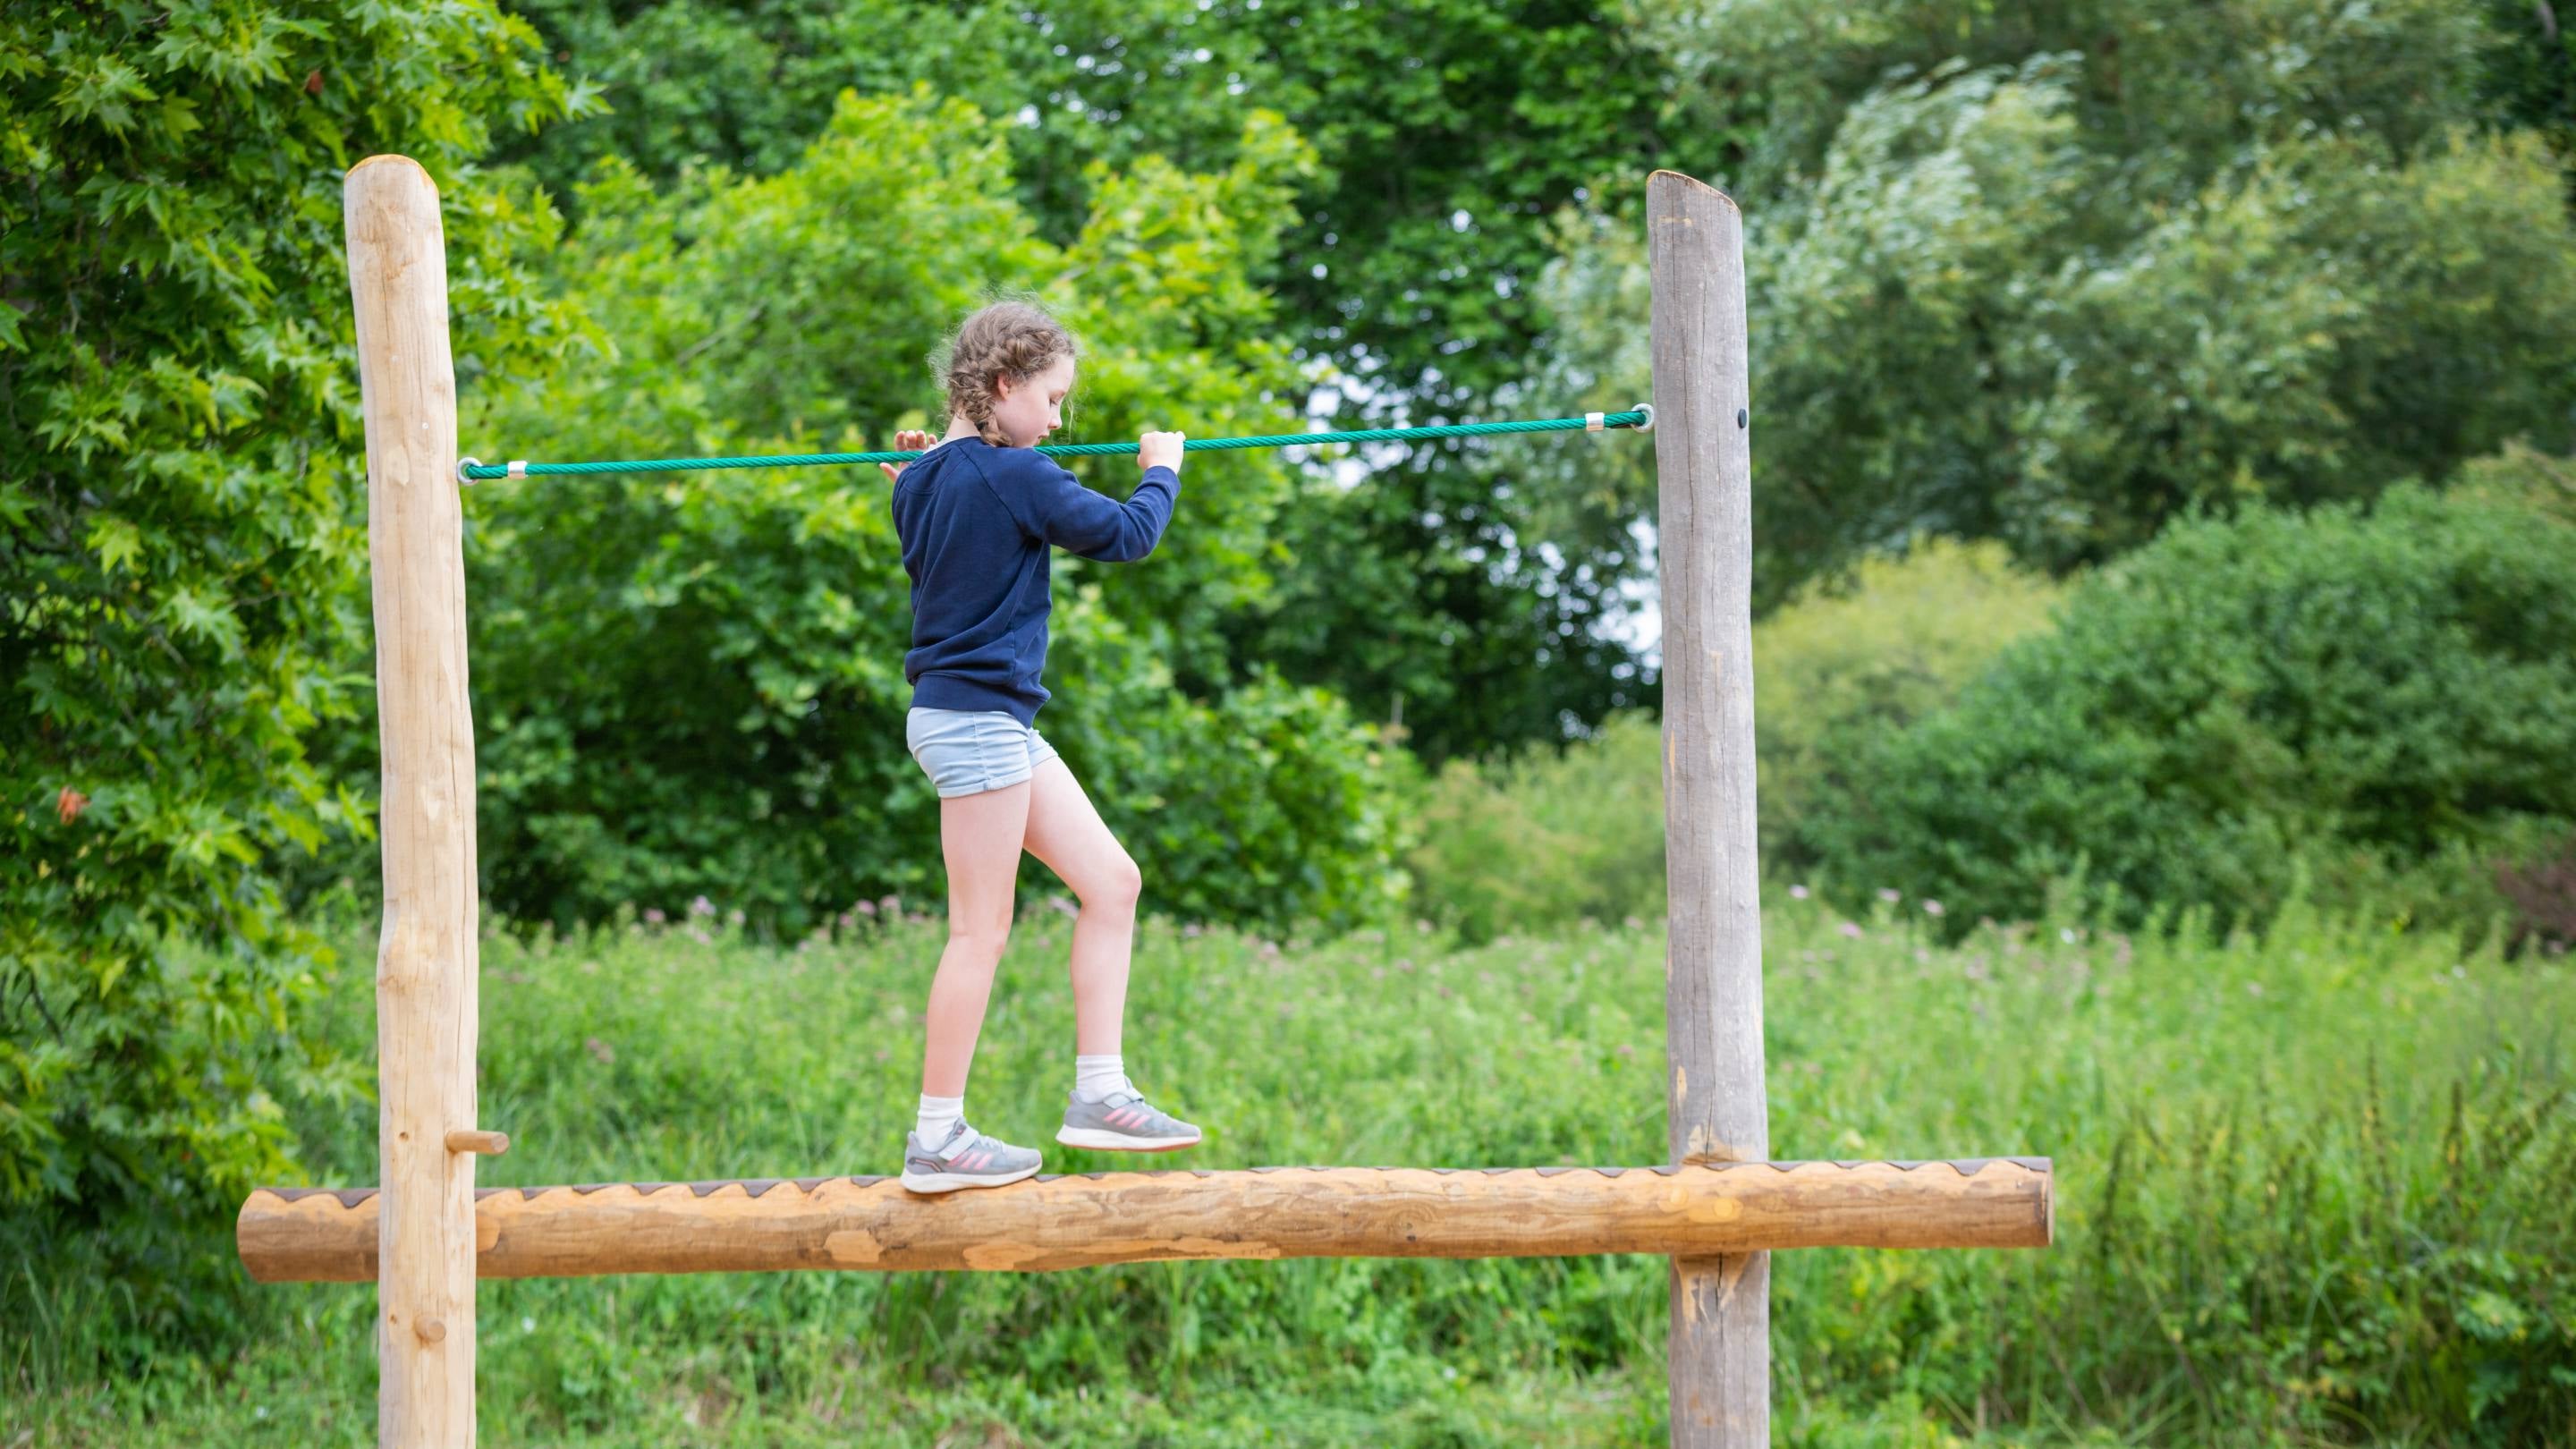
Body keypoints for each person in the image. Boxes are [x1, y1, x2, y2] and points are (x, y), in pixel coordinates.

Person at [881, 300, 1202, 1193]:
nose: (1058, 421)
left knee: (1113, 882)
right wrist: (1162, 468)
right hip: (975, 721)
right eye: (1053, 399)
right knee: (979, 931)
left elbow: (946, 515)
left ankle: (1101, 1094)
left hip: (986, 721)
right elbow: (1129, 534)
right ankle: (937, 1137)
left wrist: (921, 466)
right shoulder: (1015, 473)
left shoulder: (919, 481)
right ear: (1002, 385)